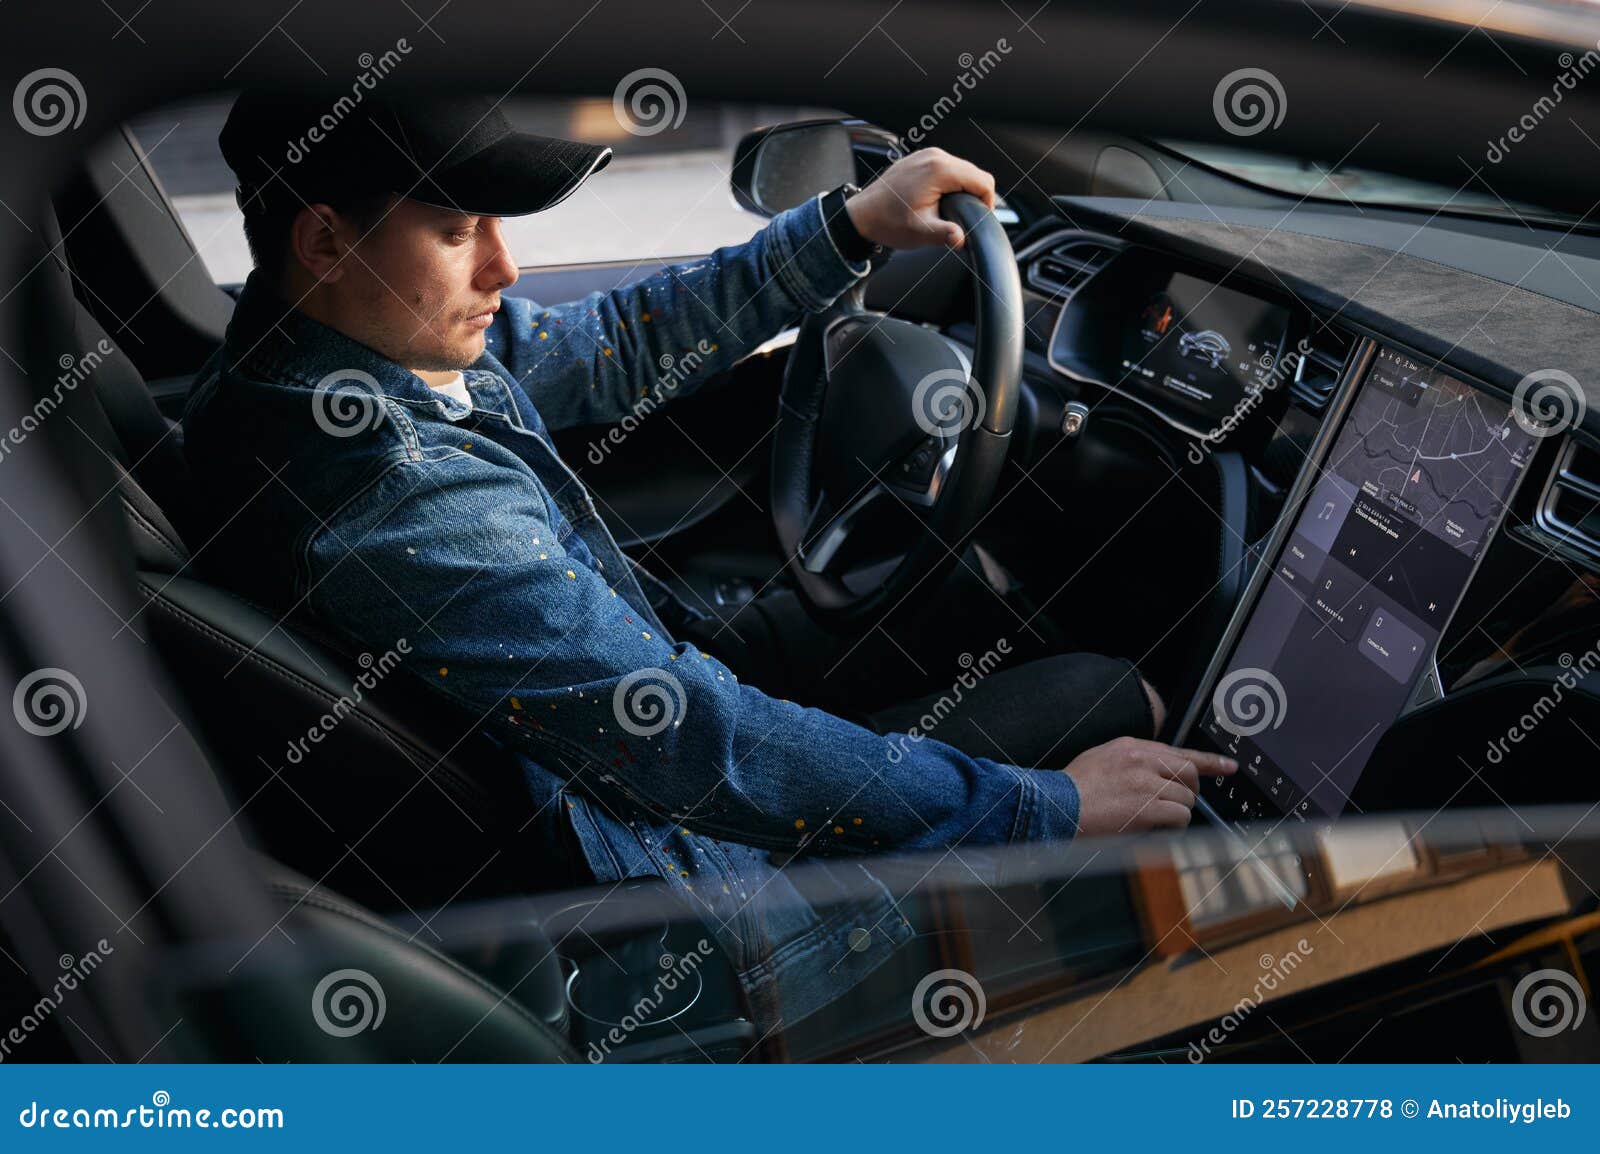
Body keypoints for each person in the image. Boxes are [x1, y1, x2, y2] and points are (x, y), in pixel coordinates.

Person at [182, 90, 1235, 1028]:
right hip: (711, 904)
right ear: (324, 240)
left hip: (633, 778)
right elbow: (691, 738)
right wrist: (1040, 808)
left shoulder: (330, 356)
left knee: (973, 632)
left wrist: (848, 227)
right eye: (458, 232)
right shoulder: (392, 487)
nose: (505, 266)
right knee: (1113, 700)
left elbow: (615, 344)